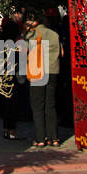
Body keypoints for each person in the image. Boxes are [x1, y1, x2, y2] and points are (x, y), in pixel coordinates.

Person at [23, 9, 63, 148]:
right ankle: (54, 138)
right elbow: (61, 52)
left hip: (38, 72)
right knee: (50, 105)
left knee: (37, 106)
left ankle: (40, 138)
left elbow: (24, 51)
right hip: (52, 71)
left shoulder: (32, 34)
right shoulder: (54, 34)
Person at [0, 10, 22, 140]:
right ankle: (12, 130)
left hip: (0, 73)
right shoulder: (15, 42)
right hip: (12, 74)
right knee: (12, 104)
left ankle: (6, 129)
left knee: (3, 103)